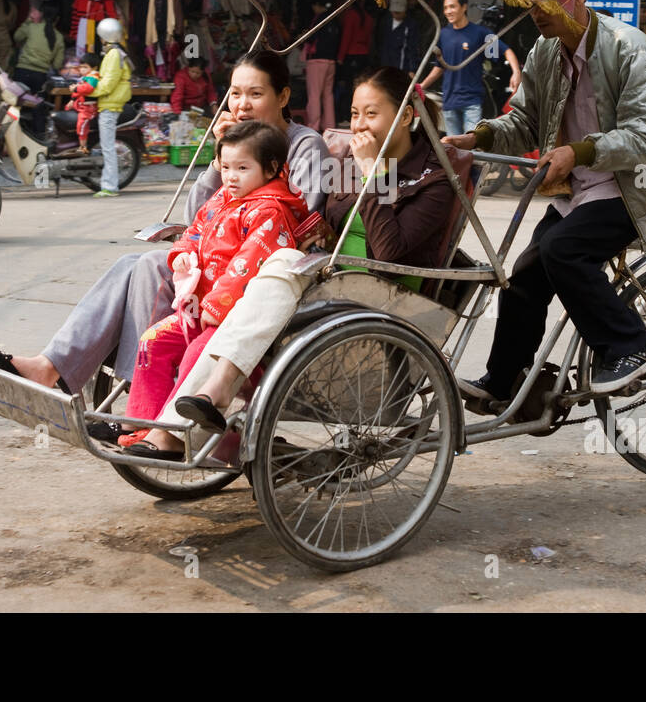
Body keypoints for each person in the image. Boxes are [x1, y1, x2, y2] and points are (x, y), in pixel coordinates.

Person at [0, 51, 331, 418]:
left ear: (283, 97)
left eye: (255, 94)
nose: (242, 105)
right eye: (235, 94)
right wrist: (218, 160)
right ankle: (51, 366)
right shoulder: (234, 143)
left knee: (149, 265)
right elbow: (196, 215)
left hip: (253, 266)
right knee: (129, 263)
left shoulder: (303, 146)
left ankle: (138, 397)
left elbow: (295, 216)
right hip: (215, 255)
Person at [134, 66, 457, 453]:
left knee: (282, 263)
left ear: (405, 116)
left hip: (379, 292)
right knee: (258, 276)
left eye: (372, 114)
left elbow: (389, 250)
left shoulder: (433, 181)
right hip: (324, 280)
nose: (359, 125)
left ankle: (193, 413)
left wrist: (372, 173)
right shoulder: (345, 167)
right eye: (354, 114)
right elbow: (321, 222)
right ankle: (190, 411)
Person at [445, 0, 646, 400]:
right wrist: (476, 138)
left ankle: (632, 347)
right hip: (581, 187)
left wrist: (578, 151)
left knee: (563, 251)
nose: (537, 13)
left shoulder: (630, 48)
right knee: (522, 275)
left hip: (639, 183)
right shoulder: (545, 51)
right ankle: (506, 382)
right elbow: (524, 122)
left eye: (547, 2)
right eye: (531, 3)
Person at [120, 121, 309, 459]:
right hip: (198, 307)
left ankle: (172, 432)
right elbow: (195, 230)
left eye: (242, 168)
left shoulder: (270, 210)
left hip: (229, 315)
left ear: (271, 169)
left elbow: (246, 265)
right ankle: (142, 424)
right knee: (153, 342)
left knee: (196, 359)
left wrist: (216, 307)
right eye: (225, 168)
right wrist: (182, 254)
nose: (231, 177)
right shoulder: (224, 197)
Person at [426, 0, 509, 136]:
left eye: (452, 6)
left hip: (472, 102)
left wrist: (516, 73)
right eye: (445, 8)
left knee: (471, 146)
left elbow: (505, 50)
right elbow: (439, 67)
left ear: (464, 7)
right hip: (450, 102)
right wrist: (420, 86)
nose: (448, 11)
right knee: (454, 148)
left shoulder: (479, 32)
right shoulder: (443, 34)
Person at [87, 17, 132, 197]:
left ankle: (110, 186)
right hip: (108, 104)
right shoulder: (115, 53)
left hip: (110, 106)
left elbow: (108, 84)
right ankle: (109, 184)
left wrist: (87, 91)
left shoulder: (113, 54)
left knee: (107, 147)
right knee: (107, 146)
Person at [334, 0, 374, 123]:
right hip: (364, 56)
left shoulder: (350, 15)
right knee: (360, 87)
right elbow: (369, 40)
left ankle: (347, 117)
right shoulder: (368, 17)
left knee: (348, 88)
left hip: (350, 56)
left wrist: (340, 57)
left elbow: (346, 38)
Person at [302, 0, 341, 132]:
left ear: (317, 5)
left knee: (314, 94)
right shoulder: (334, 19)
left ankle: (313, 126)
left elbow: (311, 37)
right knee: (328, 95)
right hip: (331, 61)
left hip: (316, 61)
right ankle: (329, 127)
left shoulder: (319, 18)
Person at [12, 2, 65, 80]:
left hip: (22, 71)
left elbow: (17, 37)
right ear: (57, 18)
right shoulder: (59, 37)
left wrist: (29, 19)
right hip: (41, 76)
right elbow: (57, 65)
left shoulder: (32, 27)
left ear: (41, 14)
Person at [376, 0, 423, 73]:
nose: (396, 14)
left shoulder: (411, 25)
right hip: (385, 65)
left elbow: (413, 49)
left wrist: (412, 70)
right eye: (394, 11)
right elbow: (380, 44)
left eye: (399, 12)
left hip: (402, 68)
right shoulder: (385, 22)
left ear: (405, 10)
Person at [65, 58, 99, 152]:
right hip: (80, 104)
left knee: (82, 125)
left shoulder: (93, 77)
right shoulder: (85, 77)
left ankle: (83, 147)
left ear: (94, 68)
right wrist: (72, 100)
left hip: (88, 108)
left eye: (85, 67)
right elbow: (78, 91)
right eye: (81, 67)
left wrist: (76, 89)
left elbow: (88, 88)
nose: (82, 69)